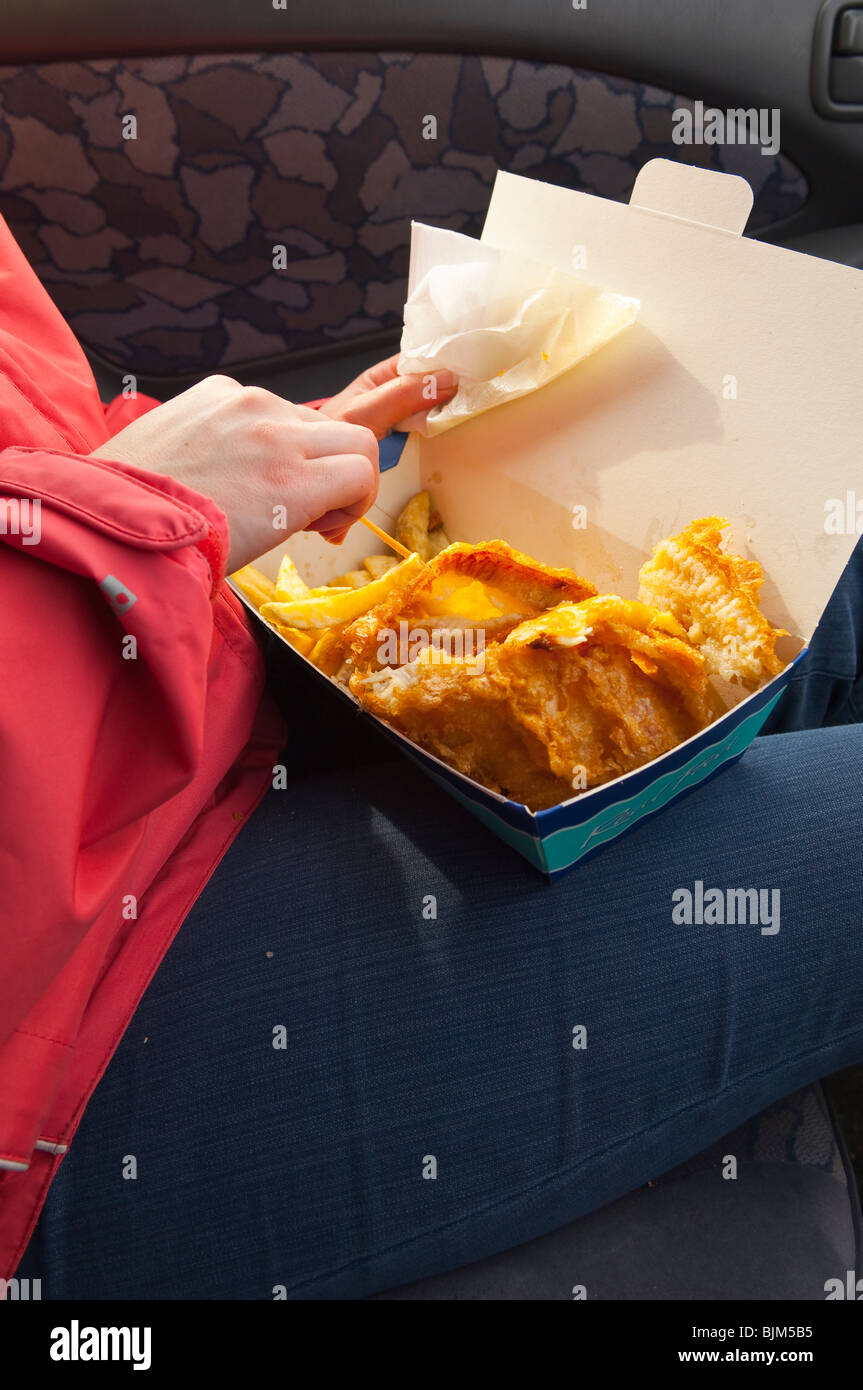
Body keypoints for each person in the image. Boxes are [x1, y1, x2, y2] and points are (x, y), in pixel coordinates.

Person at [2, 209, 862, 1299]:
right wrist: (119, 518)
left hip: (155, 698)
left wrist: (245, 467)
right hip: (69, 1037)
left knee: (827, 574)